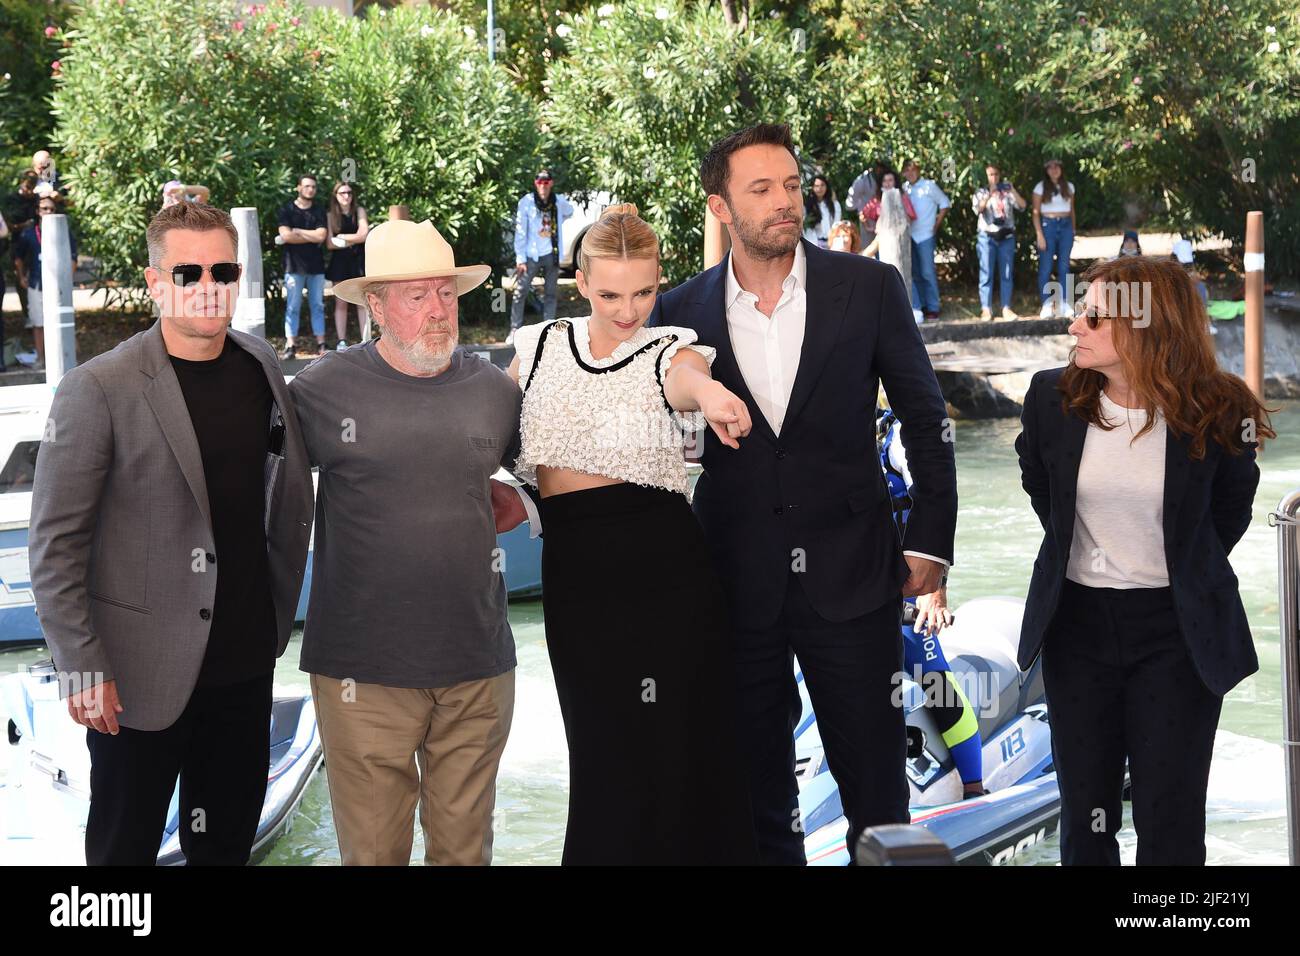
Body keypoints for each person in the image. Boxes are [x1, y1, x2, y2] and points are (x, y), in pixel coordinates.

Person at [650, 123, 958, 865]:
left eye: (790, 185)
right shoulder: (676, 310)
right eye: (761, 189)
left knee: (879, 796)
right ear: (720, 206)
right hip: (731, 580)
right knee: (756, 797)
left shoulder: (869, 286)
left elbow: (925, 417)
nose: (785, 202)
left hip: (856, 575)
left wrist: (930, 540)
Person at [28, 201, 314, 865]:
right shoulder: (97, 388)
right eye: (188, 271)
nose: (208, 284)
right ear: (157, 283)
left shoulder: (260, 365)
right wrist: (83, 666)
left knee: (223, 850)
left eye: (223, 268)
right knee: (123, 855)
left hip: (243, 666)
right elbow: (54, 547)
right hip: (134, 679)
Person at [506, 204, 759, 865]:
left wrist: (713, 398)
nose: (629, 310)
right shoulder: (535, 347)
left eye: (644, 291)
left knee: (675, 757)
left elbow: (686, 379)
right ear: (581, 281)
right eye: (612, 293)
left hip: (668, 581)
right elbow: (481, 429)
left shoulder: (666, 346)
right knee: (601, 757)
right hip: (576, 581)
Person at [289, 217, 540, 866]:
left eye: (447, 293)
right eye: (417, 295)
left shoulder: (492, 391)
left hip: (477, 671)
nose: (438, 311)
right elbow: (249, 486)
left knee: (465, 856)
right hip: (362, 678)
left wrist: (521, 505)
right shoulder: (321, 389)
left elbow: (545, 483)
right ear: (375, 305)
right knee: (374, 858)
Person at [1015, 255, 1273, 865]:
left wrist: (1176, 569)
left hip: (1175, 633)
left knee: (1171, 821)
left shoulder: (1221, 408)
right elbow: (1042, 487)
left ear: (1147, 327)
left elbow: (1228, 512)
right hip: (1077, 627)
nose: (1075, 326)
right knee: (1087, 820)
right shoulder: (1050, 399)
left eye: (1094, 317)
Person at [876, 407, 984, 797]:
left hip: (904, 594)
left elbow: (934, 499)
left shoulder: (897, 439)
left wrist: (934, 592)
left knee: (935, 684)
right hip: (851, 593)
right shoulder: (822, 435)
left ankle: (974, 786)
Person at [11, 194, 78, 368]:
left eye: (52, 209)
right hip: (36, 284)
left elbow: (73, 258)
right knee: (38, 323)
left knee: (62, 322)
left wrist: (67, 281)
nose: (48, 212)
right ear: (37, 211)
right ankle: (41, 359)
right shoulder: (29, 234)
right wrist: (21, 277)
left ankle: (66, 359)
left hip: (59, 287)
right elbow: (18, 258)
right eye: (45, 209)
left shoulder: (64, 231)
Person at [508, 168, 573, 345]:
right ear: (535, 184)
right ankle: (515, 329)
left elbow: (570, 211)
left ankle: (548, 329)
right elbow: (520, 232)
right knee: (520, 292)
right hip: (531, 255)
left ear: (550, 183)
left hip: (551, 253)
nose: (543, 186)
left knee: (551, 293)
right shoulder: (527, 202)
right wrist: (520, 259)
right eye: (539, 182)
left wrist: (558, 206)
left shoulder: (558, 201)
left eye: (546, 182)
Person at [276, 174, 328, 359]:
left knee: (318, 305)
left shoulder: (319, 210)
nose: (310, 190)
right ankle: (291, 346)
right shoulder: (287, 210)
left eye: (313, 186)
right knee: (292, 307)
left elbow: (322, 236)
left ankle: (322, 344)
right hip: (293, 267)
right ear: (298, 187)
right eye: (307, 186)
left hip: (316, 267)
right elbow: (286, 236)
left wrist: (298, 231)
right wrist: (309, 235)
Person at [972, 163, 1027, 321]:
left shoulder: (1007, 192)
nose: (994, 177)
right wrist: (990, 194)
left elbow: (1023, 206)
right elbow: (979, 210)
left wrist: (1012, 190)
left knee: (1007, 273)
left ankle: (1006, 308)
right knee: (986, 273)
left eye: (996, 174)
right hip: (987, 237)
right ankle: (986, 309)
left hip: (1007, 238)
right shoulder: (981, 192)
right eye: (990, 175)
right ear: (986, 176)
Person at [863, 171, 918, 315]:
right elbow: (864, 214)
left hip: (901, 242)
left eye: (891, 180)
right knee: (886, 275)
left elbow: (911, 216)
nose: (888, 183)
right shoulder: (877, 200)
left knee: (906, 274)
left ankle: (914, 308)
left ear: (895, 182)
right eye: (885, 181)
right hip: (884, 243)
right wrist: (871, 227)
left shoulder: (902, 197)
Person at [901, 160, 950, 320]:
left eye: (913, 169)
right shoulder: (904, 188)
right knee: (915, 272)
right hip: (910, 236)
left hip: (925, 235)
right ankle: (921, 305)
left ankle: (933, 307)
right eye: (907, 170)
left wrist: (936, 224)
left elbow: (945, 203)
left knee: (928, 272)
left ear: (918, 170)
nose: (910, 173)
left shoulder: (929, 185)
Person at [325, 181, 369, 349]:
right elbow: (329, 243)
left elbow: (364, 234)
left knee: (361, 302)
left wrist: (342, 237)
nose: (346, 196)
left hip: (358, 260)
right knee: (341, 302)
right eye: (342, 193)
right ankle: (341, 340)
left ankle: (365, 339)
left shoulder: (359, 211)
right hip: (339, 263)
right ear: (335, 196)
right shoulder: (330, 215)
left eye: (349, 193)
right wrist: (353, 238)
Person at [1032, 159, 1076, 318]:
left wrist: (1073, 230)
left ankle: (1066, 303)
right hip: (1047, 226)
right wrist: (1039, 234)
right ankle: (1047, 303)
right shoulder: (1040, 187)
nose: (1054, 170)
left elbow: (1072, 211)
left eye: (1057, 166)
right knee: (1046, 266)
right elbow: (1035, 212)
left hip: (1065, 226)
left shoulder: (1069, 187)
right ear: (1046, 170)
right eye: (1050, 167)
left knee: (1064, 266)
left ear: (1061, 168)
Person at [845, 158, 886, 248]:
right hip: (868, 223)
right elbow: (850, 203)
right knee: (869, 252)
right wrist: (863, 217)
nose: (879, 169)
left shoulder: (886, 178)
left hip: (885, 223)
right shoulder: (862, 180)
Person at [802, 174, 842, 248]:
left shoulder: (834, 204)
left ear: (826, 186)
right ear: (812, 188)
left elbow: (837, 224)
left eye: (822, 185)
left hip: (831, 242)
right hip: (814, 243)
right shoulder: (807, 206)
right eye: (816, 186)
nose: (820, 188)